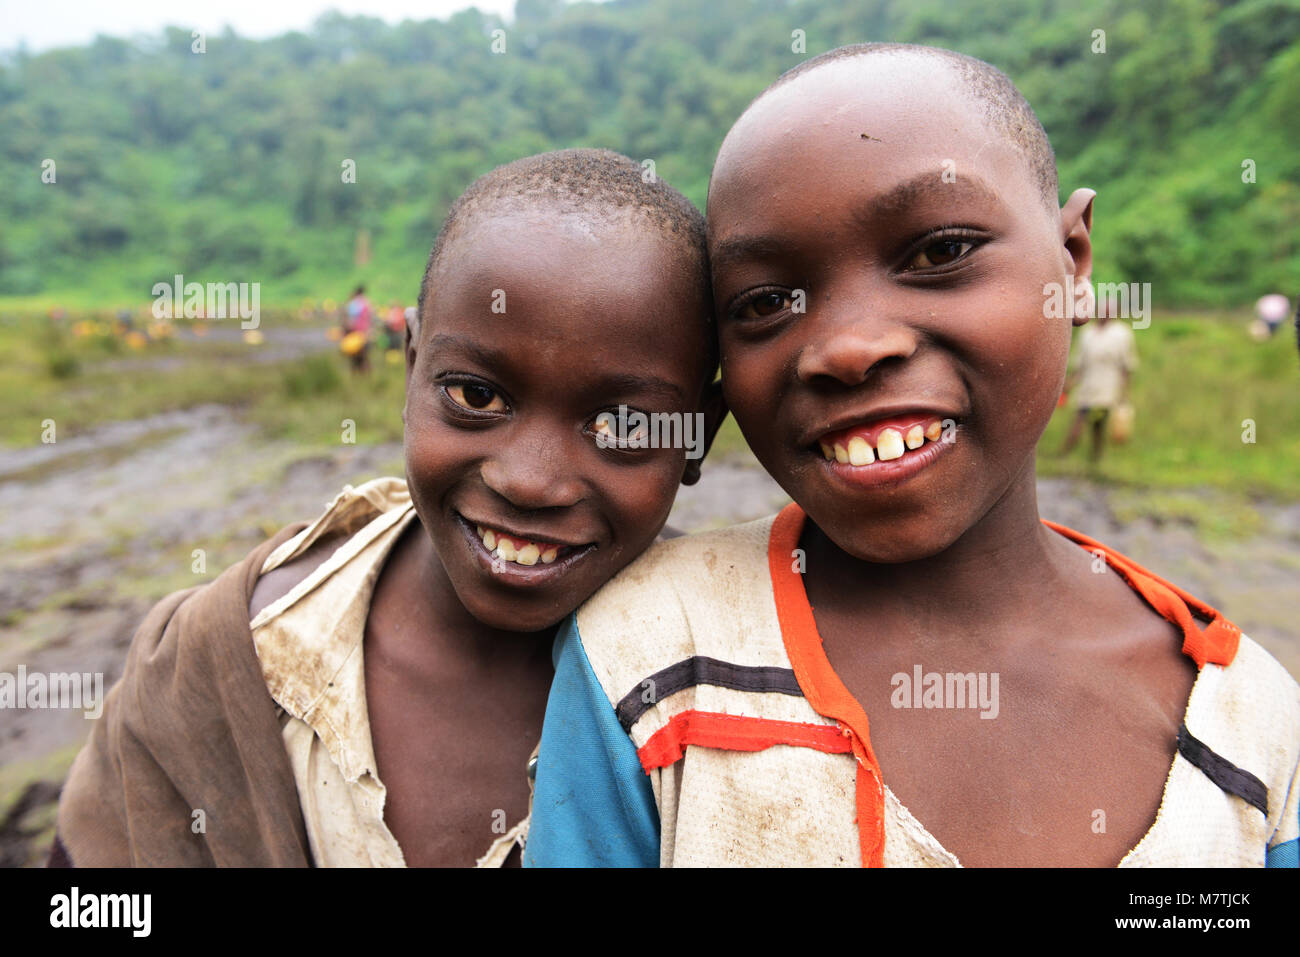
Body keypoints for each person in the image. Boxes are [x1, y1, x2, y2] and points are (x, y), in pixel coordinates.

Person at [524, 45, 1300, 868]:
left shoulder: (1251, 731)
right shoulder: (649, 656)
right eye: (765, 301)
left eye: (938, 253)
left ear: (1072, 261)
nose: (849, 348)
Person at [50, 149, 724, 867]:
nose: (528, 481)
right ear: (410, 372)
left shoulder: (749, 682)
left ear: (696, 436)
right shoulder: (226, 659)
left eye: (619, 425)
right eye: (476, 395)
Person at [1059, 297, 1138, 461]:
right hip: (1087, 386)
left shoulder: (1122, 333)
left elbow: (1127, 367)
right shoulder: (1087, 333)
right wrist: (1070, 383)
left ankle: (1095, 458)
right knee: (1078, 421)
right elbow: (1080, 362)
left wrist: (1125, 393)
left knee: (1098, 426)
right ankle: (1064, 454)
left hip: (1108, 388)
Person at [343, 284, 373, 373]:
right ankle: (366, 375)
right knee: (364, 355)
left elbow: (350, 321)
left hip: (355, 332)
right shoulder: (367, 302)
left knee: (354, 356)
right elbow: (370, 318)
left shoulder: (353, 303)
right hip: (365, 332)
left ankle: (357, 375)